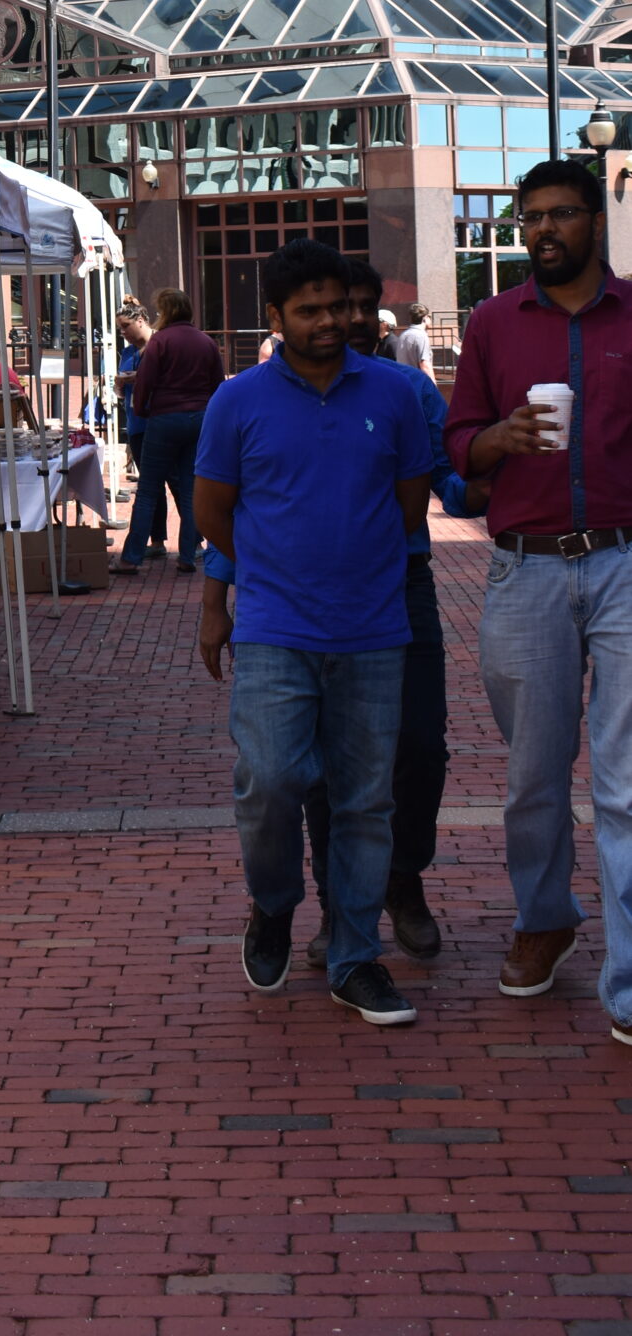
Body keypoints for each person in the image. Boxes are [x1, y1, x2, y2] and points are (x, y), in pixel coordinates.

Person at [193, 238, 433, 1027]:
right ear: (275, 318)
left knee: (366, 801)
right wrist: (251, 583)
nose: (330, 320)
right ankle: (272, 905)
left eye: (338, 305)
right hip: (272, 628)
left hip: (372, 629)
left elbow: (407, 504)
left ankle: (354, 956)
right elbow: (211, 511)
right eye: (310, 310)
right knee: (267, 782)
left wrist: (350, 563)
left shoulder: (395, 393)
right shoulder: (237, 401)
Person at [444, 157, 632, 1040]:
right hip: (523, 567)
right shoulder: (489, 322)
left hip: (626, 565)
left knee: (627, 782)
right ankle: (544, 916)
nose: (543, 231)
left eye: (560, 214)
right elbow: (457, 446)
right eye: (530, 219)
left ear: (596, 220)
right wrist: (498, 439)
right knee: (531, 775)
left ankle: (628, 981)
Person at [300, 260, 472, 967]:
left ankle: (403, 881)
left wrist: (504, 476)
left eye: (367, 307)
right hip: (311, 594)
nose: (355, 319)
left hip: (402, 584)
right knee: (322, 761)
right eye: (343, 305)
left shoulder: (406, 388)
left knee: (421, 746)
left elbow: (450, 485)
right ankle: (338, 903)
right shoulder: (289, 389)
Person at [114, 288, 223, 574]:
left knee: (149, 489)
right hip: (198, 419)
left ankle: (131, 557)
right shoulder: (206, 342)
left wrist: (142, 412)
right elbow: (217, 385)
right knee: (190, 489)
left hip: (164, 417)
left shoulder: (161, 341)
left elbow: (145, 384)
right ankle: (188, 554)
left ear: (168, 312)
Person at [114, 299, 169, 553]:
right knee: (150, 483)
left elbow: (167, 378)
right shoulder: (127, 352)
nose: (123, 332)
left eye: (125, 326)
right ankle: (156, 541)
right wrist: (120, 385)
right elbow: (122, 388)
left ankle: (195, 542)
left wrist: (137, 377)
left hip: (161, 421)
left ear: (140, 321)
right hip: (137, 423)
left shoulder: (160, 345)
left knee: (177, 481)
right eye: (119, 328)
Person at [394, 304, 436, 380]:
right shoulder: (421, 336)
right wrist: (433, 387)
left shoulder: (403, 335)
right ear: (425, 318)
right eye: (429, 316)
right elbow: (425, 365)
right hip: (418, 384)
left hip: (404, 381)